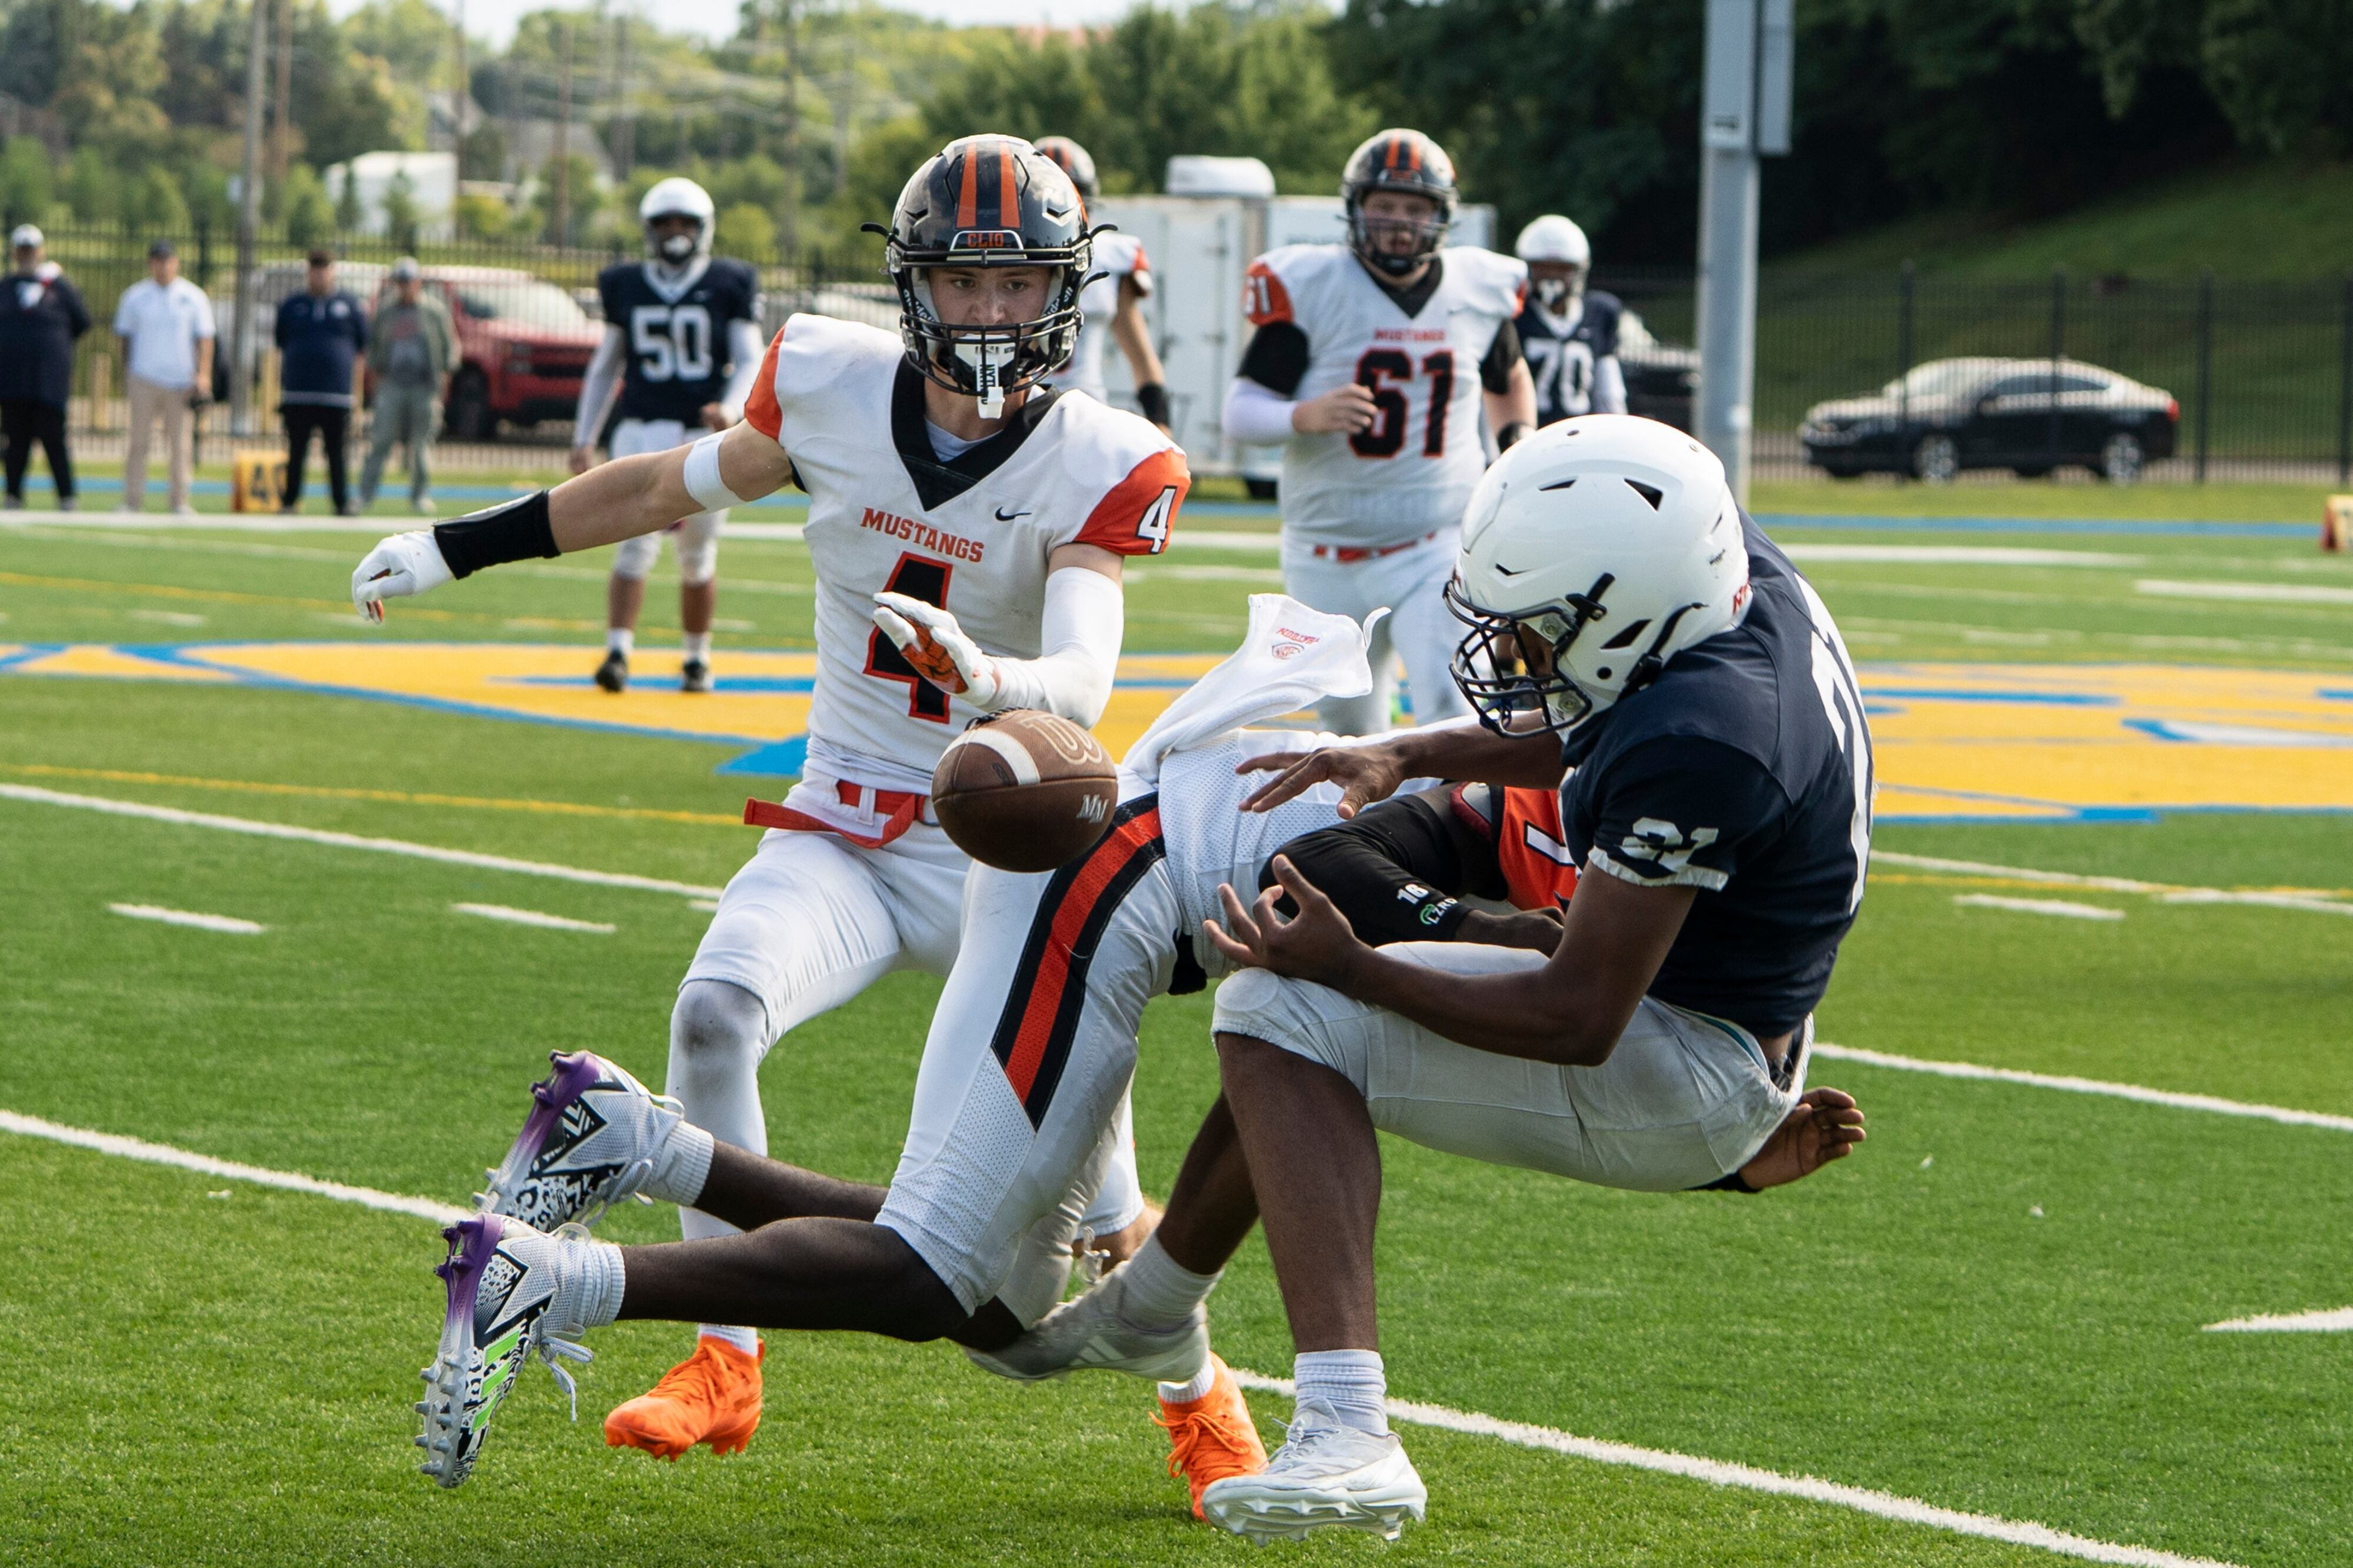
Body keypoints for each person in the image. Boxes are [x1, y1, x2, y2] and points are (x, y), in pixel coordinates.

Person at [353, 134, 1185, 1465]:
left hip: (1011, 850)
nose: (985, 311)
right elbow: (656, 485)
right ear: (909, 286)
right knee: (713, 1009)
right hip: (849, 824)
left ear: (1062, 290)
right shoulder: (834, 389)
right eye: (960, 284)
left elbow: (1083, 675)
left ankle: (1202, 1407)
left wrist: (995, 676)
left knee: (1071, 1238)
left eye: (1016, 283)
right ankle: (721, 1364)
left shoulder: (1100, 451)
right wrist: (461, 545)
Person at [999, 415, 1877, 1542]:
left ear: (1627, 612)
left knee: (1279, 1002)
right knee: (1297, 1016)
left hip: (1690, 1055)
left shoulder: (1712, 733)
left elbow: (1576, 1015)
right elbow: (1604, 714)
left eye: (1540, 632)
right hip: (1714, 989)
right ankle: (1152, 1310)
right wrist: (1409, 751)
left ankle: (1351, 1431)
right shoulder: (1720, 570)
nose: (1515, 654)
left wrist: (1357, 964)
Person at [1221, 128, 1536, 736]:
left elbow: (1508, 376)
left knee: (1451, 701)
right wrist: (1301, 415)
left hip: (1435, 538)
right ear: (1355, 209)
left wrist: (1517, 439)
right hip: (1325, 546)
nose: (1398, 223)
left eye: (1414, 209)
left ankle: (1457, 827)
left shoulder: (1476, 289)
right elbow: (1239, 412)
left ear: (1441, 216)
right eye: (1384, 206)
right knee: (1347, 723)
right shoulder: (1314, 286)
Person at [572, 178, 765, 695]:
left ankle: (697, 659)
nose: (674, 233)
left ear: (703, 229)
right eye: (665, 223)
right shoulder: (626, 283)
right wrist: (583, 435)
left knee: (698, 551)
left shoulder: (729, 282)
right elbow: (604, 366)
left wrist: (729, 406)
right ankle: (618, 651)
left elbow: (751, 355)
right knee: (633, 545)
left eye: (684, 223)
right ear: (648, 230)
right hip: (641, 426)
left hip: (700, 432)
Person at [1033, 136, 1172, 438]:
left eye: (1071, 194)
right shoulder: (1006, 258)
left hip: (1087, 416)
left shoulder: (1110, 255)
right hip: (1018, 416)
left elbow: (1141, 356)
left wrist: (1161, 425)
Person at [113, 239, 215, 515]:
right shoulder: (135, 296)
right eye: (158, 260)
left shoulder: (192, 296)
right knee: (138, 442)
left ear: (176, 262)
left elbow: (205, 339)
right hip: (144, 376)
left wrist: (202, 375)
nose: (163, 265)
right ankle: (132, 500)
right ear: (151, 263)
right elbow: (124, 338)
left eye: (168, 259)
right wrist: (128, 374)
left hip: (180, 381)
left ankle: (180, 501)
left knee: (181, 444)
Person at [0, 225, 89, 510]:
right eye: (22, 250)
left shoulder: (59, 287)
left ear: (41, 251)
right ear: (16, 253)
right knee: (16, 442)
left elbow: (82, 322)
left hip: (50, 381)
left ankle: (66, 496)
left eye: (32, 249)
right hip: (13, 381)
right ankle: (13, 494)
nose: (27, 255)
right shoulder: (6, 287)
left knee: (54, 440)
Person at [275, 250, 369, 516]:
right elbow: (280, 341)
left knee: (337, 453)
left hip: (336, 395)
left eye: (324, 269)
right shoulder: (292, 305)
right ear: (308, 273)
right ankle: (290, 501)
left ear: (333, 271)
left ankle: (341, 502)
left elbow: (361, 348)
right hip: (298, 393)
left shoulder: (349, 305)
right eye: (314, 270)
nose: (319, 275)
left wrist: (357, 394)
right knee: (296, 451)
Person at [359, 258, 455, 514]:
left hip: (424, 385)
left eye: (408, 281)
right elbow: (374, 349)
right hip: (392, 384)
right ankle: (365, 495)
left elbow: (449, 349)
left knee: (421, 443)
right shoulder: (386, 311)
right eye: (400, 282)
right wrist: (376, 382)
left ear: (418, 282)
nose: (404, 287)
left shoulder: (434, 311)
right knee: (381, 440)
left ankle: (420, 495)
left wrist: (443, 382)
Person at [1513, 215, 1626, 425]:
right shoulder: (1513, 314)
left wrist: (1616, 431)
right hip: (1528, 437)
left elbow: (1609, 392)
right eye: (1542, 267)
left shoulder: (1600, 312)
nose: (1552, 276)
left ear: (1578, 270)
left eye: (1562, 268)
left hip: (1581, 436)